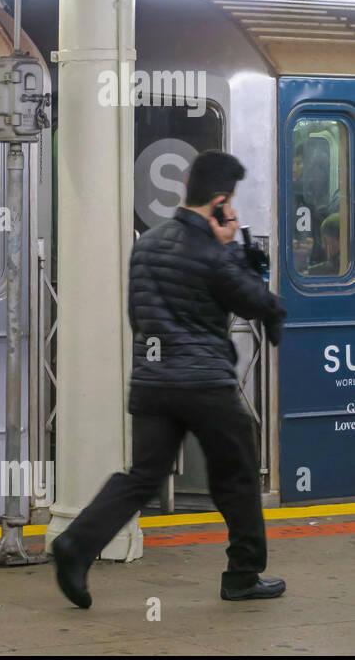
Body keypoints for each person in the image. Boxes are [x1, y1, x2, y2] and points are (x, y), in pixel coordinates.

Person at [53, 150, 288, 607]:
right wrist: (237, 254)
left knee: (142, 476)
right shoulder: (213, 255)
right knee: (238, 476)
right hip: (204, 383)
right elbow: (260, 304)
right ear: (221, 200)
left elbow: (137, 315)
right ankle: (243, 575)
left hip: (152, 381)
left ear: (187, 187)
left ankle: (76, 544)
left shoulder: (146, 245)